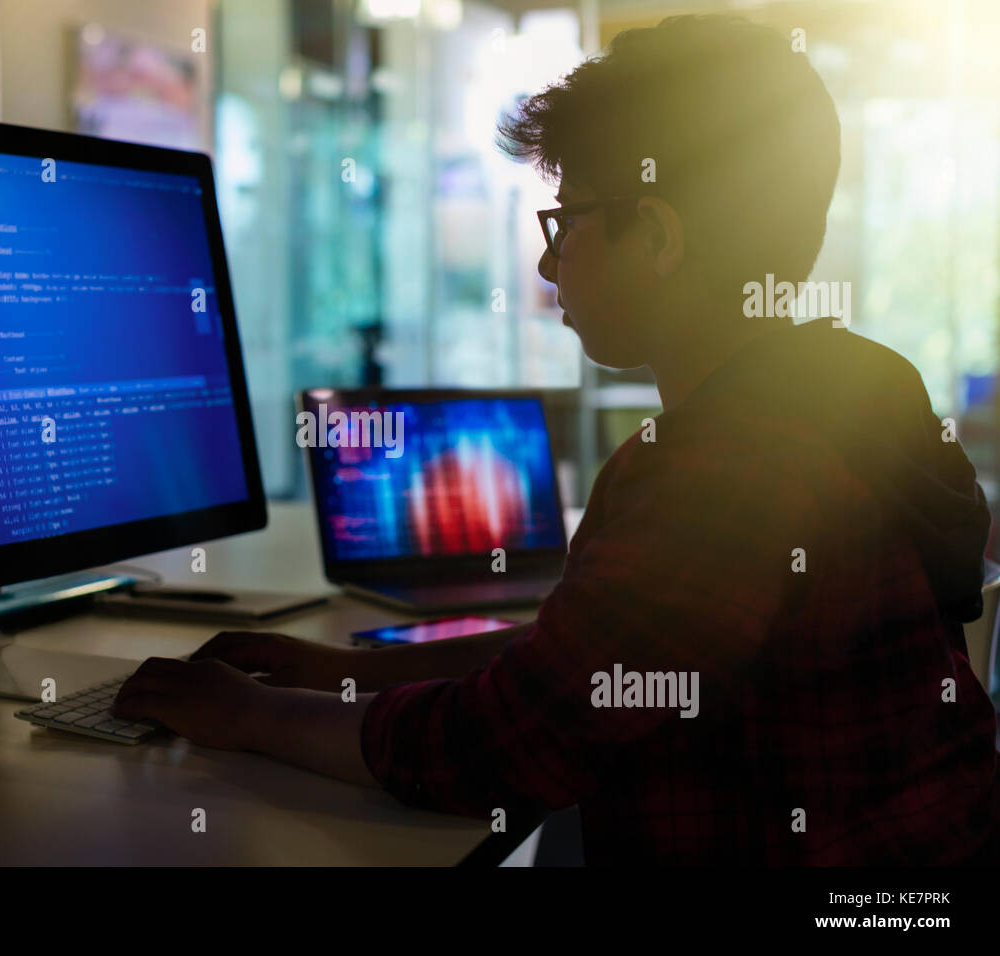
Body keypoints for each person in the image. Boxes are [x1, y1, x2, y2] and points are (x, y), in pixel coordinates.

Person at [114, 14, 1000, 864]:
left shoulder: (722, 468)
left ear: (654, 234)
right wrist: (342, 671)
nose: (546, 264)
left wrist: (249, 718)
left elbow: (504, 746)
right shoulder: (850, 390)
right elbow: (578, 664)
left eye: (566, 223)